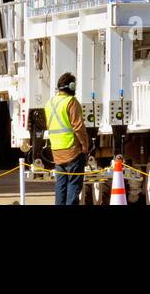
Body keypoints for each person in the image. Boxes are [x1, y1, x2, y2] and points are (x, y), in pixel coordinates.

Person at [46, 72, 91, 206]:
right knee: (73, 187)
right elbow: (78, 126)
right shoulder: (71, 102)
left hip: (57, 152)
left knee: (61, 187)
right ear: (71, 86)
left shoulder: (49, 103)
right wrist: (85, 145)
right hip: (72, 151)